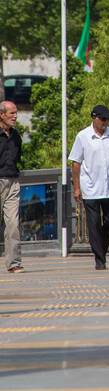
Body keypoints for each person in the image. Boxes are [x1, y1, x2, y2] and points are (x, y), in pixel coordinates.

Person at [69, 104, 109, 270]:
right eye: (103, 119)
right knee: (94, 224)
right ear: (94, 118)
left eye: (108, 119)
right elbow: (75, 163)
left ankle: (100, 250)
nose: (106, 122)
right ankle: (100, 260)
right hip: (90, 188)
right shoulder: (83, 136)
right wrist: (76, 188)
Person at [0, 101, 23, 273]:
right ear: (2, 115)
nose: (15, 116)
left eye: (16, 113)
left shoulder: (16, 136)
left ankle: (14, 263)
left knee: (13, 224)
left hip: (13, 182)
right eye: (11, 113)